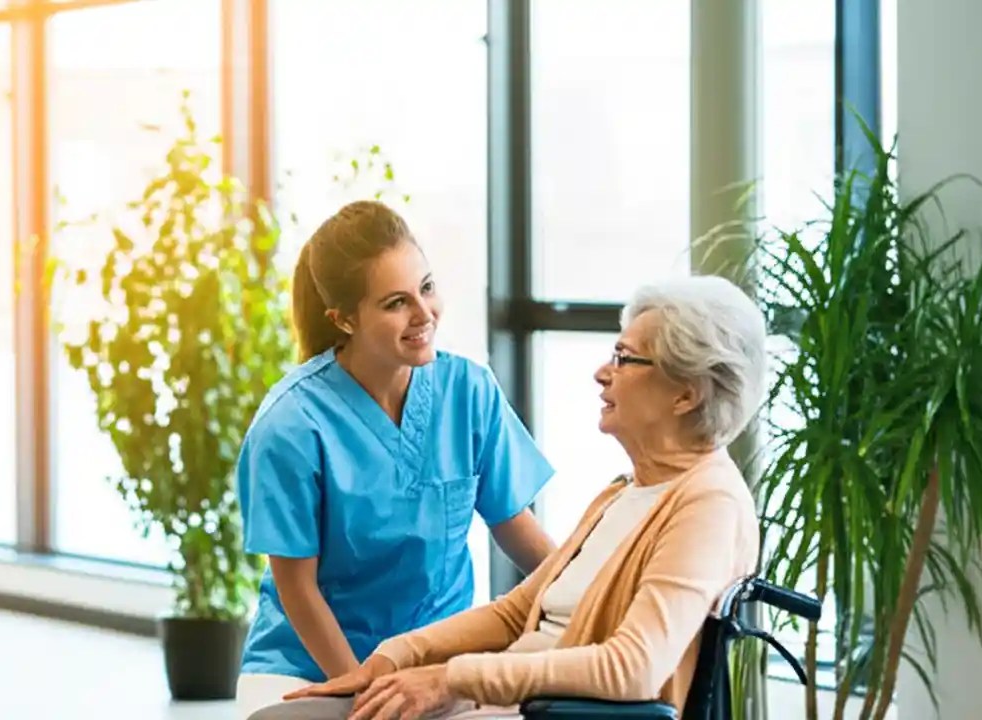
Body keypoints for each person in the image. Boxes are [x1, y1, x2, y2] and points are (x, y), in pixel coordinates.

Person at [285, 274, 766, 720]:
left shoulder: (709, 506)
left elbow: (633, 665)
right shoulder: (625, 492)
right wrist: (396, 656)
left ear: (685, 395)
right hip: (508, 705)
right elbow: (516, 612)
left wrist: (453, 679)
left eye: (624, 358)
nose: (602, 373)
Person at [235, 200, 557, 719]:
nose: (423, 314)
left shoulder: (468, 391)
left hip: (437, 665)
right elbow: (297, 589)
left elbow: (514, 526)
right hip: (312, 668)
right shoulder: (290, 425)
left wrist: (587, 593)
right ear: (342, 318)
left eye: (427, 288)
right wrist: (362, 692)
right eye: (395, 303)